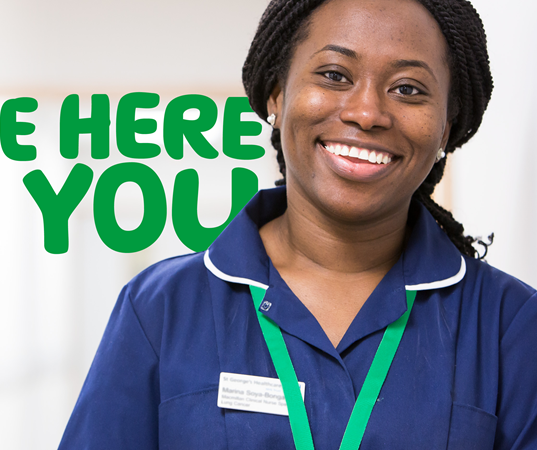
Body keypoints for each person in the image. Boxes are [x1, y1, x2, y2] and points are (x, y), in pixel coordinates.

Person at [59, 0, 537, 448]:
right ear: (277, 94)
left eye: (408, 89)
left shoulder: (512, 325)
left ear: (445, 127)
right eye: (334, 75)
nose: (367, 113)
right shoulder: (160, 307)